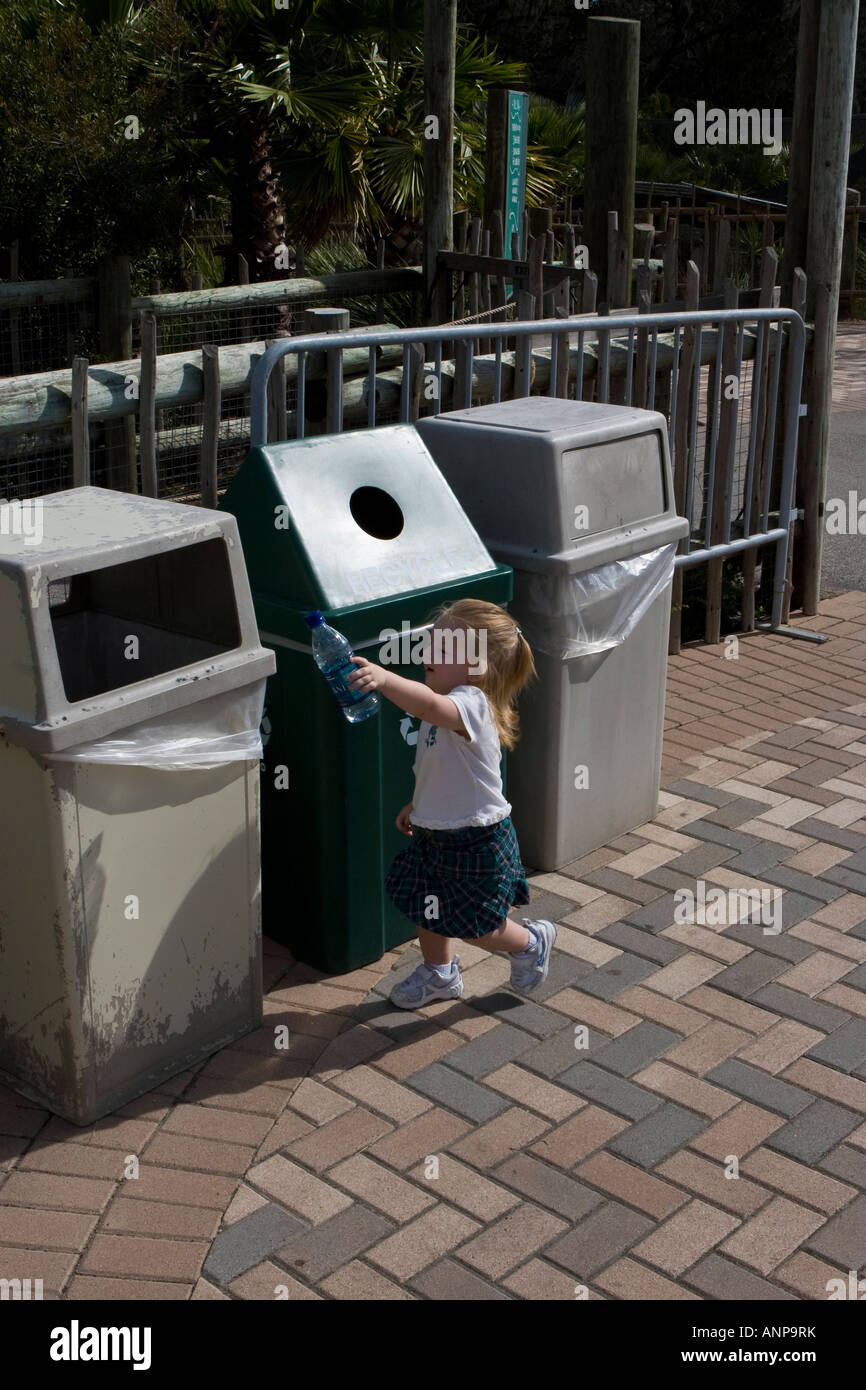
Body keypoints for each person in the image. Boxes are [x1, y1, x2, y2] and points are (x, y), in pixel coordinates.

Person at [346, 597, 557, 1009]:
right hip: (437, 833)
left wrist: (384, 680)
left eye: (443, 650)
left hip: (475, 841)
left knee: (478, 926)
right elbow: (439, 770)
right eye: (431, 645)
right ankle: (440, 974)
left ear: (479, 667)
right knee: (430, 905)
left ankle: (531, 942)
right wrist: (417, 805)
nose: (427, 655)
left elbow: (427, 703)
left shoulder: (471, 704)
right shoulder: (446, 705)